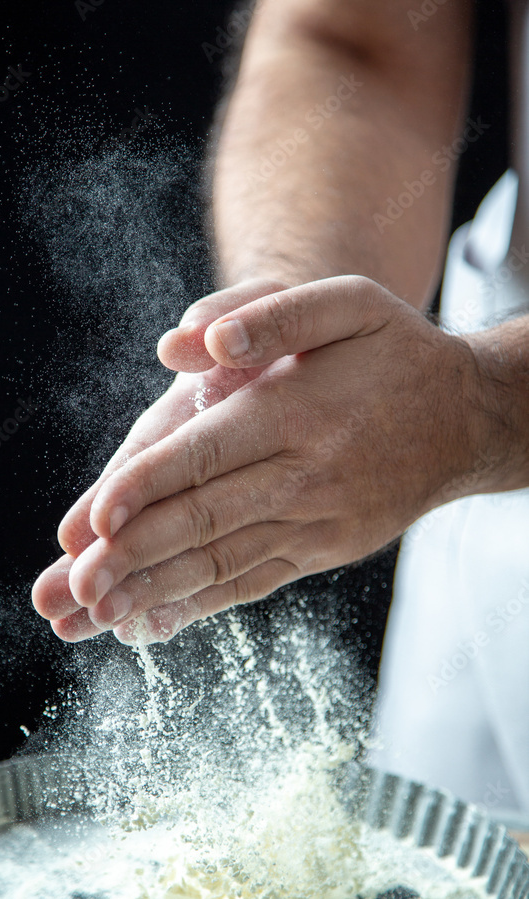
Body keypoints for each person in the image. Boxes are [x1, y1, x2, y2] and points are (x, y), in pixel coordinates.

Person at [32, 0, 529, 813]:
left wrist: (483, 408)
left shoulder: (463, 408)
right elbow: (351, 40)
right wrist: (295, 317)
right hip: (485, 498)